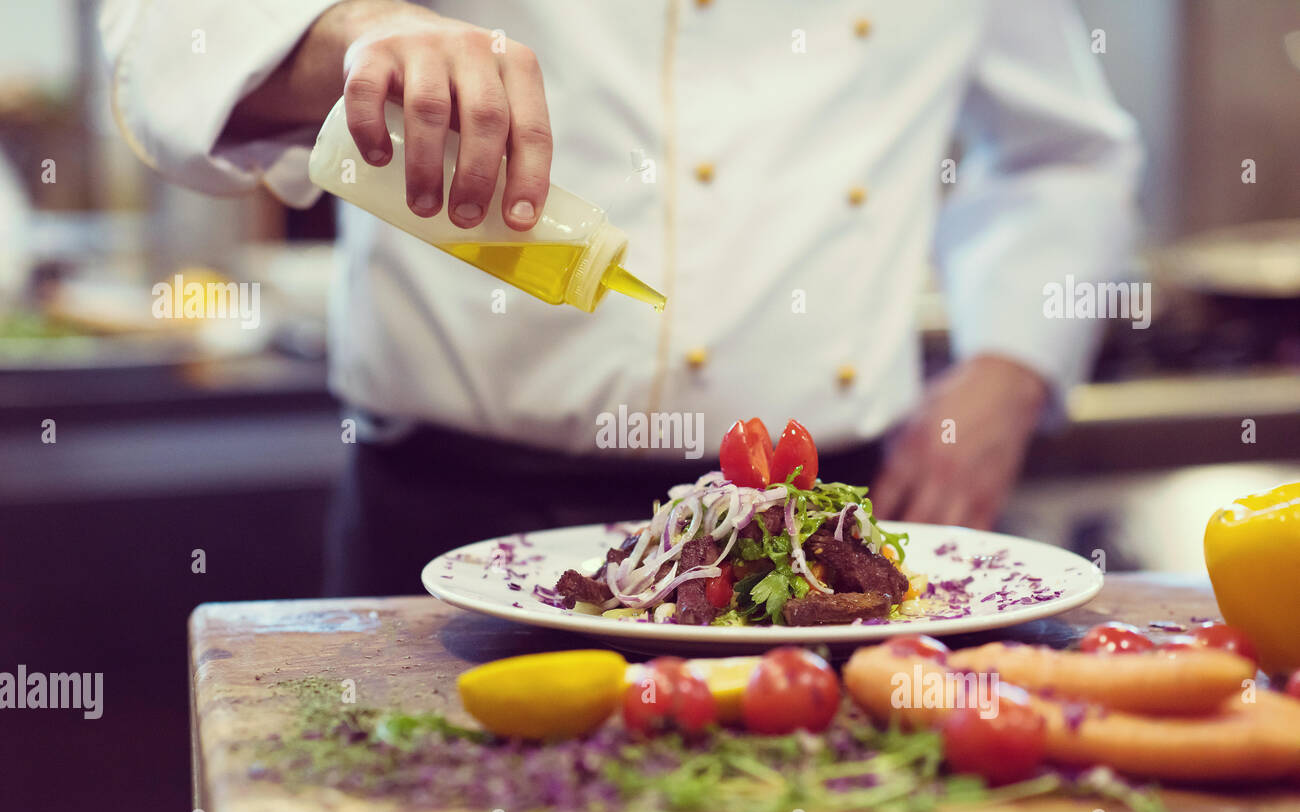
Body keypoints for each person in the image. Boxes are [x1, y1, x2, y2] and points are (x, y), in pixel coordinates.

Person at [99, 0, 1141, 596]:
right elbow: (164, 42)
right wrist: (351, 33)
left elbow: (1063, 155)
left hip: (822, 558)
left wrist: (1010, 365)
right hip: (448, 528)